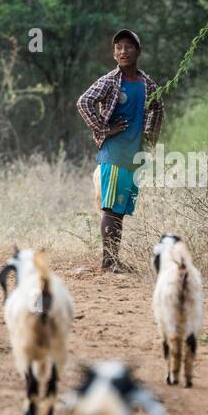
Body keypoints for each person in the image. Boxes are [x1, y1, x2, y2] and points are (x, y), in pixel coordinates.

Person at [76, 28, 164, 272]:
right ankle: (109, 262)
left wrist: (149, 140)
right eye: (119, 48)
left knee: (119, 210)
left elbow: (158, 108)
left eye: (128, 47)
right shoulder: (110, 81)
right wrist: (103, 129)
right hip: (113, 153)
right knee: (110, 208)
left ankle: (114, 260)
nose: (123, 51)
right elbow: (83, 102)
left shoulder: (147, 84)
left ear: (138, 51)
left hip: (134, 157)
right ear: (114, 54)